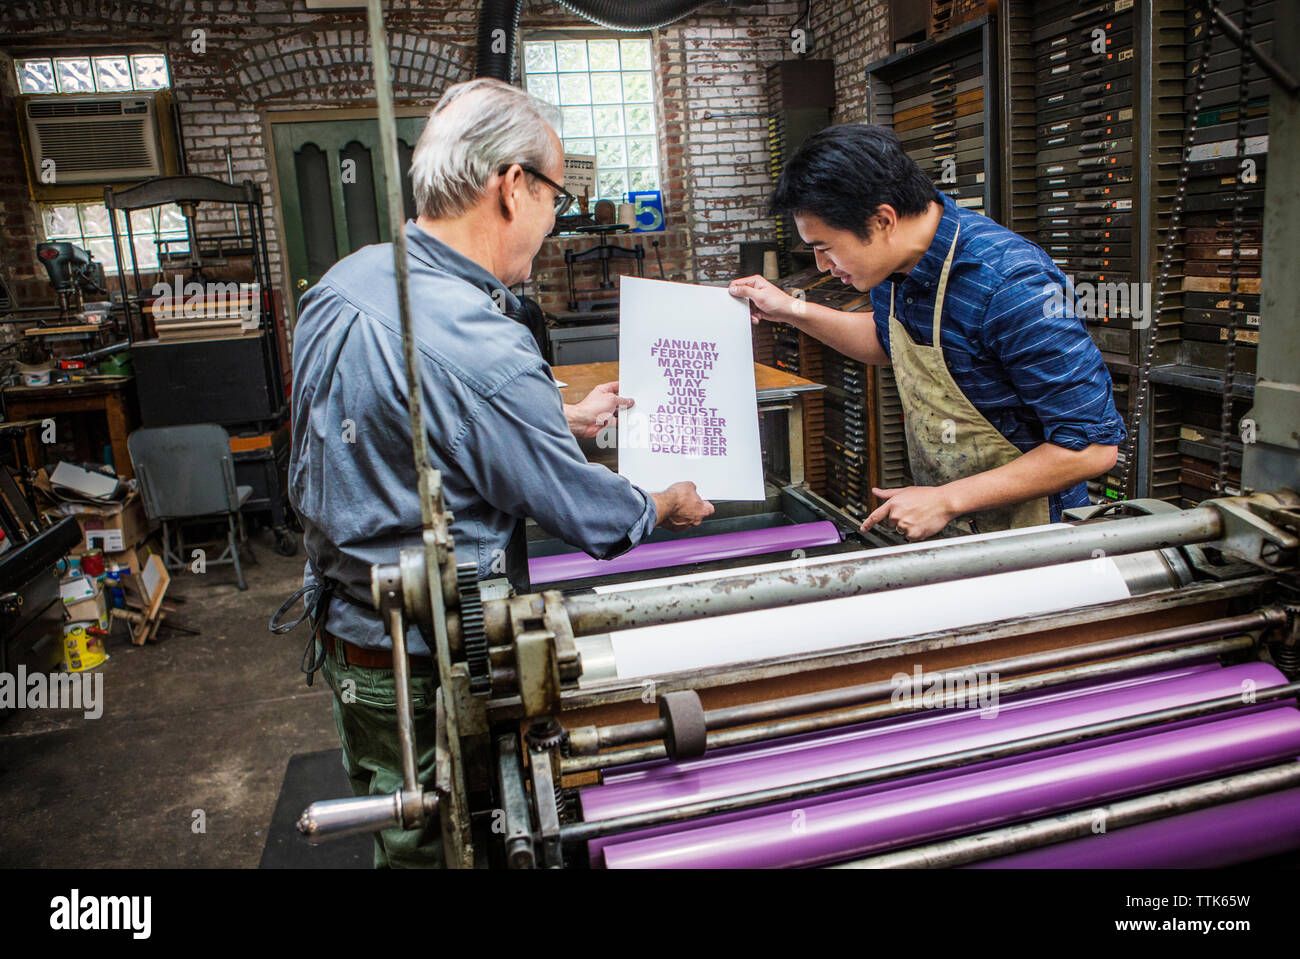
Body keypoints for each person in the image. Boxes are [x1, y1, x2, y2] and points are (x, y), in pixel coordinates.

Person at [283, 77, 713, 868]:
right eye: (555, 198)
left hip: (349, 639)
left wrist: (555, 414)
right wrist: (664, 499)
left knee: (397, 818)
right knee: (451, 843)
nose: (551, 224)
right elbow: (594, 518)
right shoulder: (484, 343)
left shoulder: (345, 282)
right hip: (432, 668)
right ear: (513, 187)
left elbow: (410, 408)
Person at [730, 123, 1125, 540]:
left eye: (825, 247)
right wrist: (791, 310)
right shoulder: (896, 264)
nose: (823, 265)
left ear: (883, 220)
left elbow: (1091, 450)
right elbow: (887, 343)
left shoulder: (1010, 284)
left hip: (1033, 531)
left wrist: (947, 499)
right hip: (960, 517)